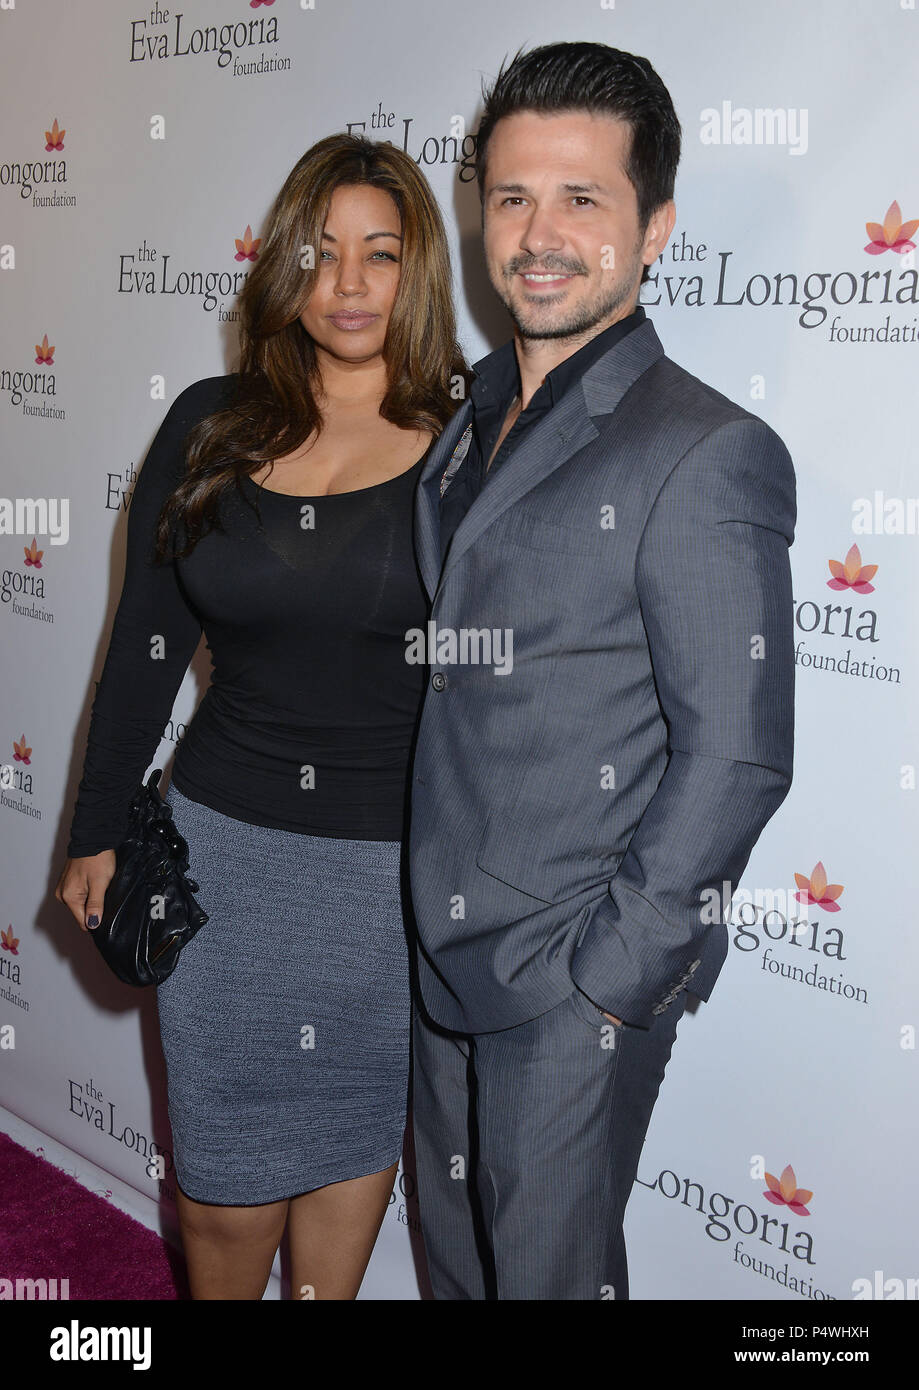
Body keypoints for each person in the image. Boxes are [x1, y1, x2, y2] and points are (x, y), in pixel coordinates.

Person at [408, 41, 796, 1299]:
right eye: (513, 196)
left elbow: (736, 755)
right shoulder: (469, 420)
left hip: (572, 975)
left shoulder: (706, 450)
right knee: (461, 1271)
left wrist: (607, 986)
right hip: (439, 948)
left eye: (584, 199)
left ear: (656, 227)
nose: (539, 233)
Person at [55, 132, 467, 1300]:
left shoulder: (468, 445)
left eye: (379, 255)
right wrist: (91, 826)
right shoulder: (210, 421)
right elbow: (144, 642)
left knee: (349, 1163)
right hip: (224, 862)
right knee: (223, 1198)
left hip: (390, 883)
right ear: (282, 265)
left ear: (417, 272)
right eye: (320, 251)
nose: (346, 284)